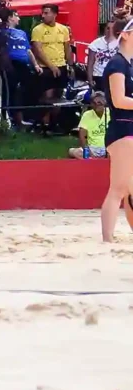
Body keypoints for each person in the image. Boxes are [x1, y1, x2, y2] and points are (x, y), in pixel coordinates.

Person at [100, 18, 133, 242]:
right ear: (126, 34)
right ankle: (107, 240)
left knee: (129, 190)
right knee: (119, 189)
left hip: (128, 129)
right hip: (122, 129)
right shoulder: (117, 64)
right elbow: (119, 99)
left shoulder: (128, 64)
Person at [0, 9, 41, 128]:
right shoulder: (2, 32)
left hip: (24, 64)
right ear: (10, 17)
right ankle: (9, 118)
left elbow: (28, 50)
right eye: (16, 15)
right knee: (10, 90)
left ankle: (26, 116)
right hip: (10, 63)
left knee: (28, 89)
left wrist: (36, 64)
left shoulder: (21, 33)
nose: (19, 18)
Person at [68, 92, 109, 159]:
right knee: (73, 151)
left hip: (108, 147)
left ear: (104, 102)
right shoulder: (87, 115)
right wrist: (90, 153)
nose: (96, 105)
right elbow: (82, 138)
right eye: (94, 103)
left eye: (99, 102)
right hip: (92, 148)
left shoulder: (111, 113)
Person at [88, 20, 120, 93]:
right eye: (108, 28)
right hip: (99, 76)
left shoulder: (120, 43)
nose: (110, 31)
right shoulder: (95, 43)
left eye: (112, 29)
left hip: (115, 76)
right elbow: (90, 64)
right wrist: (90, 80)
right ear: (105, 29)